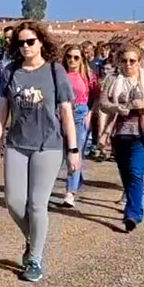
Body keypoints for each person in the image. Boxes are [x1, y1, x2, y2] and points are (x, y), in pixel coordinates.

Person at [0, 22, 78, 283]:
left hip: (48, 145)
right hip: (17, 144)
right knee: (14, 203)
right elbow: (2, 110)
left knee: (38, 204)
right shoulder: (10, 72)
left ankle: (35, 258)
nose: (26, 47)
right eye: (21, 43)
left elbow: (66, 113)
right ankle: (33, 238)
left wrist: (73, 150)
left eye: (31, 41)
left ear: (41, 42)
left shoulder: (55, 71)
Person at [97, 43, 144, 231]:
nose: (128, 65)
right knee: (126, 173)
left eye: (132, 61)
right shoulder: (112, 79)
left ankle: (134, 214)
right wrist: (116, 108)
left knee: (136, 172)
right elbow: (103, 103)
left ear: (139, 62)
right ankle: (132, 205)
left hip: (142, 132)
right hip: (119, 133)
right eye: (124, 61)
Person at [61, 44, 94, 208]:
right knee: (60, 151)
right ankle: (77, 178)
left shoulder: (88, 75)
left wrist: (91, 113)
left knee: (75, 152)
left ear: (82, 59)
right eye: (69, 57)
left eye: (76, 57)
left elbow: (96, 95)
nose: (72, 60)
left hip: (80, 113)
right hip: (61, 113)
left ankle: (70, 192)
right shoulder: (60, 74)